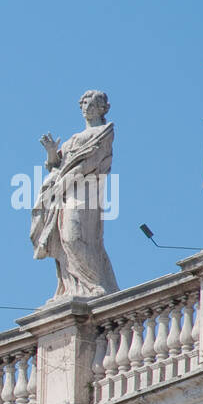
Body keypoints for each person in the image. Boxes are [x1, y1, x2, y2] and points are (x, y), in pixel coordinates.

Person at [31, 90, 120, 300]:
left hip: (86, 190)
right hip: (65, 193)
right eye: (83, 103)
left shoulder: (104, 132)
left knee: (75, 237)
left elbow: (91, 162)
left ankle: (95, 284)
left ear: (102, 107)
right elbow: (56, 165)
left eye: (90, 102)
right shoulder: (73, 140)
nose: (85, 106)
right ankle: (73, 287)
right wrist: (52, 152)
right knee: (63, 239)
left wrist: (64, 181)